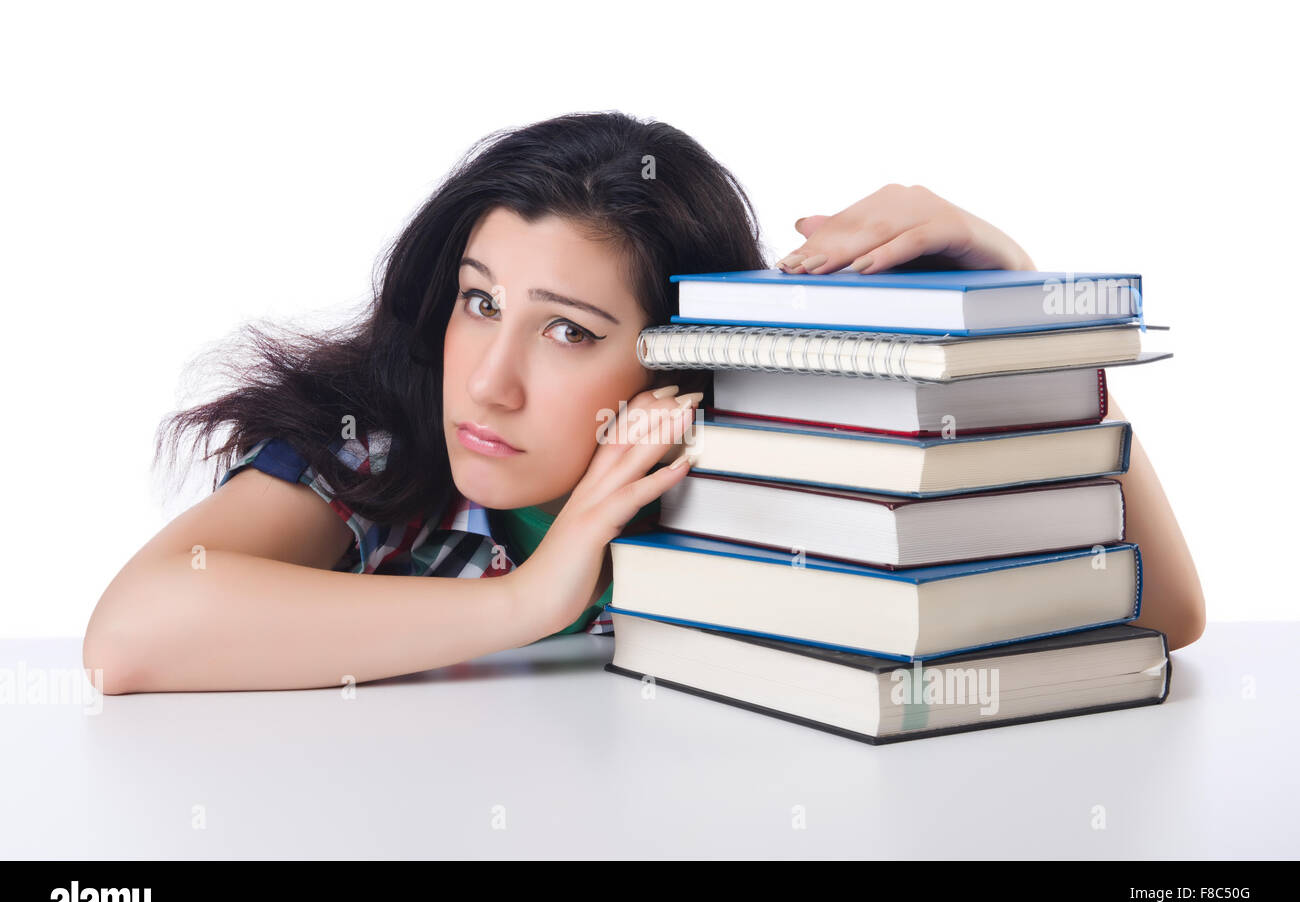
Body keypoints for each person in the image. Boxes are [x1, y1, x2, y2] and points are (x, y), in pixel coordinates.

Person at [83, 111, 1205, 695]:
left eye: (567, 331)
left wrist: (1017, 324)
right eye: (478, 304)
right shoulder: (374, 437)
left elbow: (1154, 614)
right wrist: (528, 597)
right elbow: (128, 639)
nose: (489, 378)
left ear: (676, 365)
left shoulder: (772, 466)